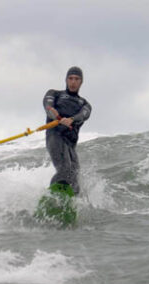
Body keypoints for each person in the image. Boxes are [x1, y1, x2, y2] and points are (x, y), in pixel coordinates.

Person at [42, 66, 92, 195]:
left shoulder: (85, 104)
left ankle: (71, 203)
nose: (73, 82)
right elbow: (48, 105)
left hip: (70, 144)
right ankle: (51, 198)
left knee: (75, 179)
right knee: (64, 170)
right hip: (55, 136)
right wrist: (54, 114)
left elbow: (84, 115)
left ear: (81, 82)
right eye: (70, 78)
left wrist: (72, 119)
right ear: (66, 80)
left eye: (77, 79)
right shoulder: (54, 94)